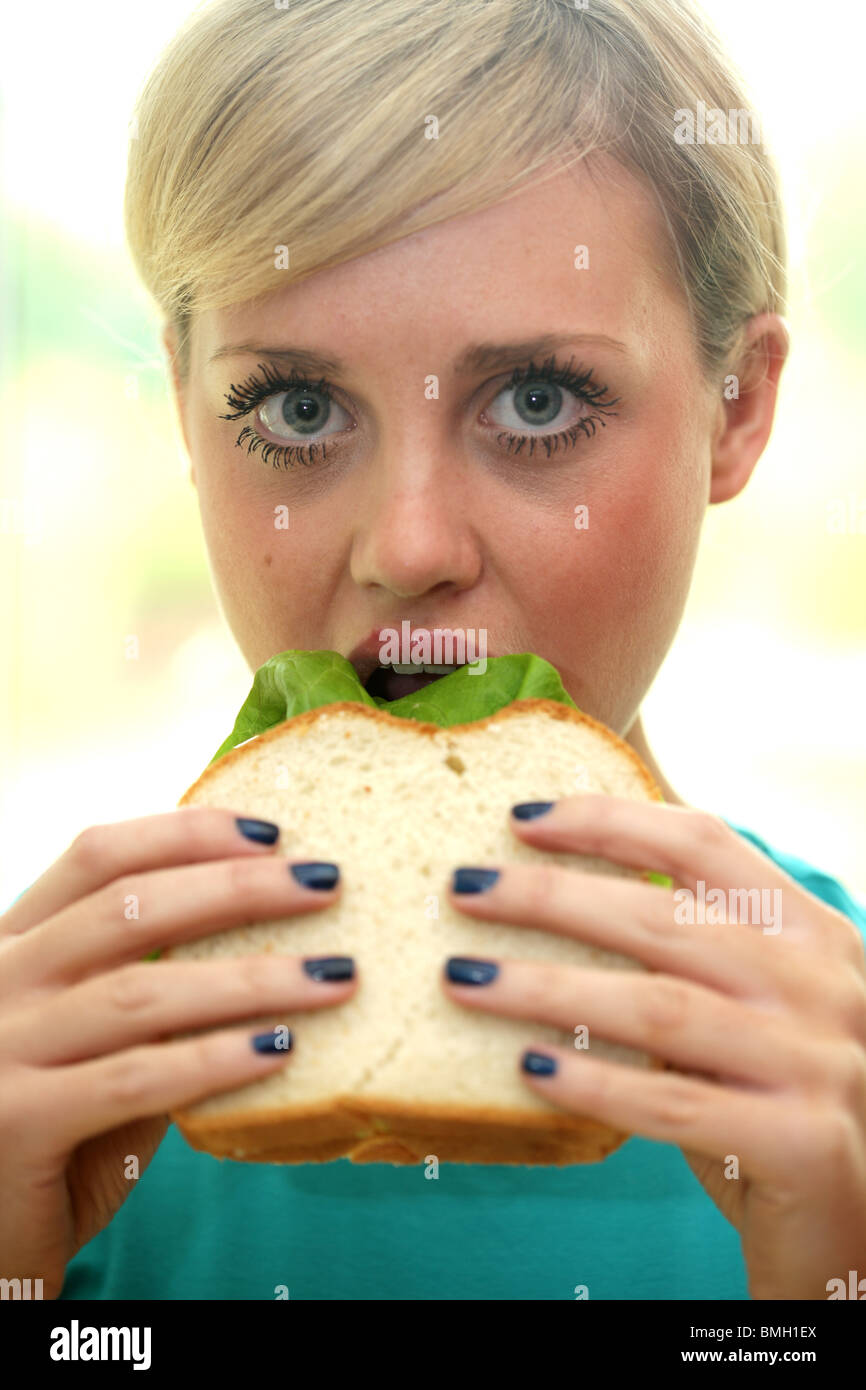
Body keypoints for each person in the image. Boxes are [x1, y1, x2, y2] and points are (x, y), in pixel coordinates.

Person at [2, 0, 864, 1302]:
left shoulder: (840, 1068)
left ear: (735, 409)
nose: (405, 547)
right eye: (296, 406)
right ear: (184, 397)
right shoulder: (38, 1089)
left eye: (536, 400)